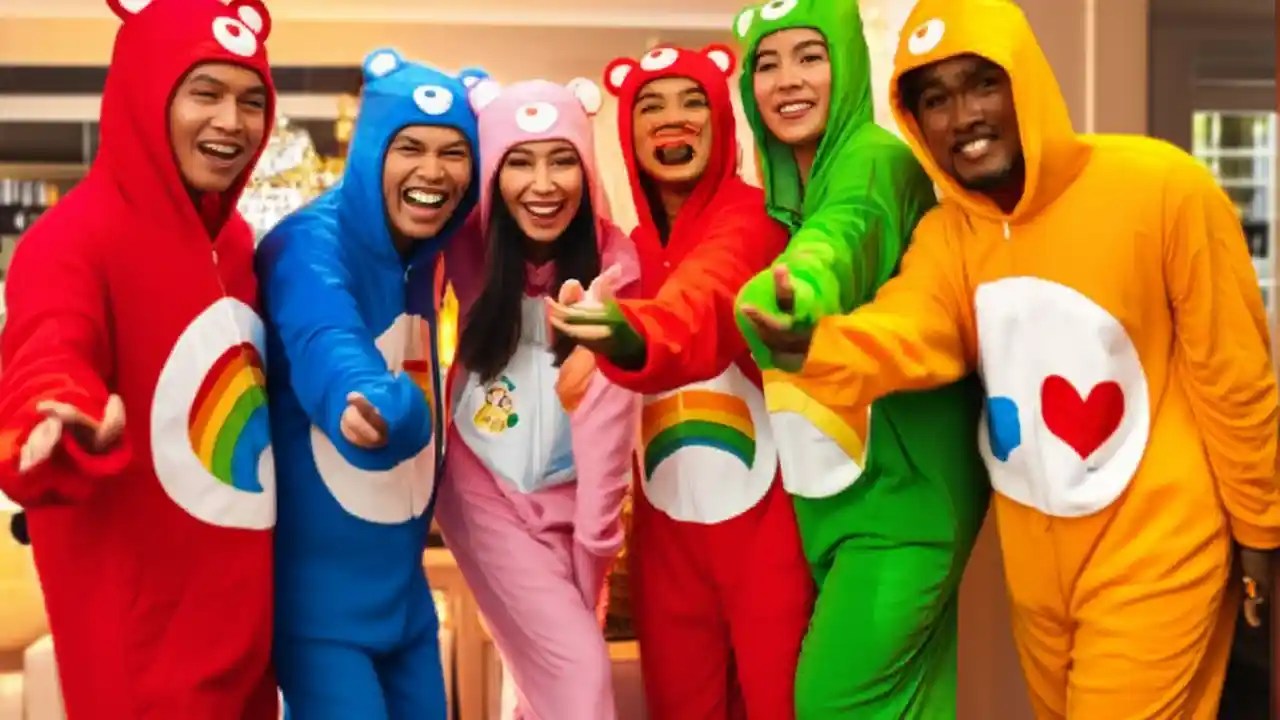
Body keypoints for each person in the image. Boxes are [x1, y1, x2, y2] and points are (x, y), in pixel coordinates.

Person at [745, 0, 1280, 717]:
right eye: (935, 99)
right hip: (1035, 560)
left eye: (982, 84)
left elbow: (1234, 373)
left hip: (1160, 543)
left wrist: (1261, 525)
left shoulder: (1161, 186)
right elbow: (912, 327)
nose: (962, 116)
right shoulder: (951, 235)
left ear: (1024, 80)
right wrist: (816, 347)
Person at [0, 0, 279, 717]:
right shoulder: (72, 238)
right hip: (143, 648)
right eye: (205, 93)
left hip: (246, 634)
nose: (232, 121)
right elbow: (49, 345)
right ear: (145, 94)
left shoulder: (237, 243)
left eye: (251, 101)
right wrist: (59, 410)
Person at [730, 1, 989, 717]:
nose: (788, 79)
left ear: (846, 63)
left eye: (810, 56)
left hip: (903, 498)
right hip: (853, 497)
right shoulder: (798, 192)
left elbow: (842, 240)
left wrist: (792, 299)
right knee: (912, 702)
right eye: (767, 64)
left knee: (831, 700)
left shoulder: (874, 161)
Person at [547, 45, 813, 719]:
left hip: (767, 528)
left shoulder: (755, 218)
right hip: (665, 532)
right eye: (651, 106)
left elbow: (708, 295)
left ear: (721, 119)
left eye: (694, 100)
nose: (674, 119)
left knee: (780, 702)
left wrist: (626, 333)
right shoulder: (625, 251)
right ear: (629, 131)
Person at [256, 48, 486, 719]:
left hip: (404, 597)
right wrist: (370, 401)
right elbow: (323, 333)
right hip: (323, 613)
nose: (433, 171)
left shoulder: (425, 256)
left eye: (454, 153)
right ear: (369, 151)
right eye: (409, 147)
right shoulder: (308, 243)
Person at [434, 77, 639, 720]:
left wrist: (596, 545)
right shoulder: (464, 245)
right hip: (480, 490)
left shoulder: (617, 263)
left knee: (547, 692)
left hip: (575, 498)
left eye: (561, 160)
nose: (543, 185)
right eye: (519, 162)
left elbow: (611, 424)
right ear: (494, 174)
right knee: (580, 680)